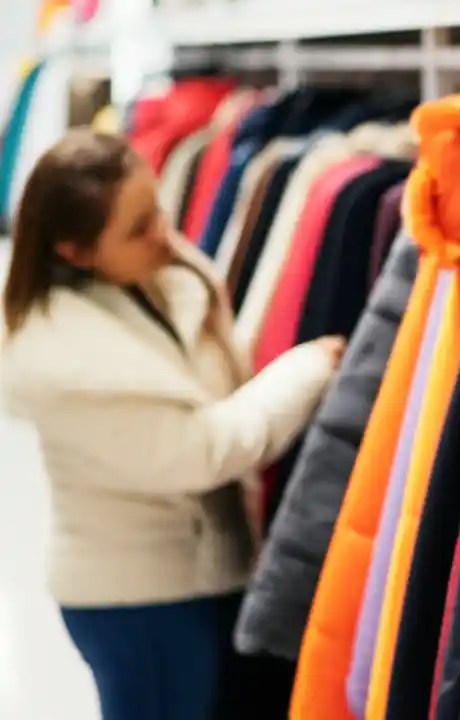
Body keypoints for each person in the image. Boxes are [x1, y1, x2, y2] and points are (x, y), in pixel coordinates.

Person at [0, 129, 344, 719]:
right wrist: (308, 368)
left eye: (157, 210)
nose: (165, 234)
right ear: (74, 251)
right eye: (138, 228)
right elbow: (203, 450)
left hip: (197, 578)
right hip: (140, 602)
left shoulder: (141, 286)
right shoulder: (66, 362)